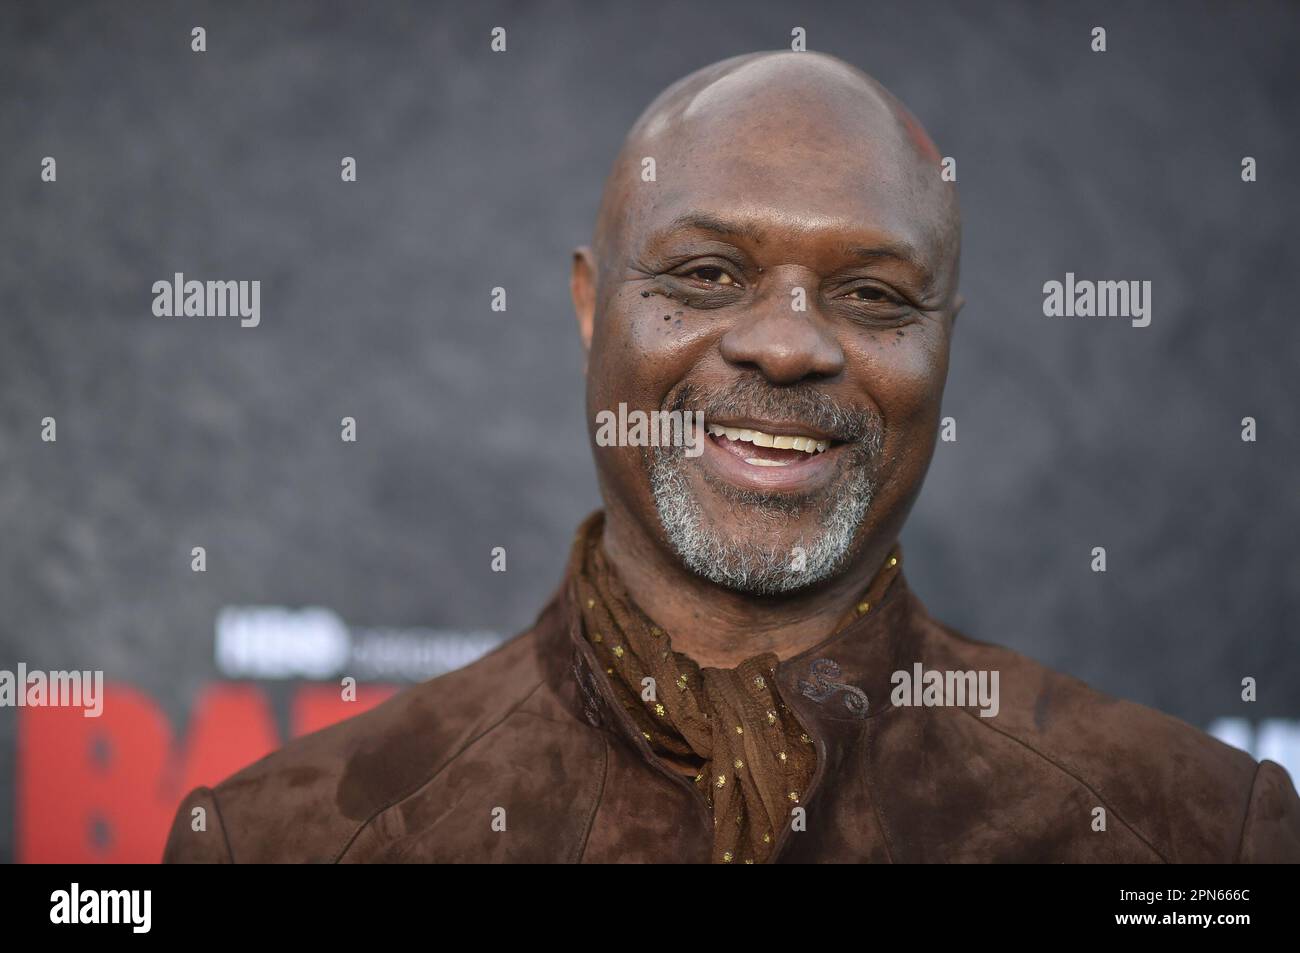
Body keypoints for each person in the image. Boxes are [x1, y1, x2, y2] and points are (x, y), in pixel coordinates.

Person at [164, 51, 1300, 864]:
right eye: (705, 274)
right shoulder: (293, 834)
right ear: (587, 304)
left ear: (945, 340)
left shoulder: (1190, 831)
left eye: (871, 294)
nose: (789, 343)